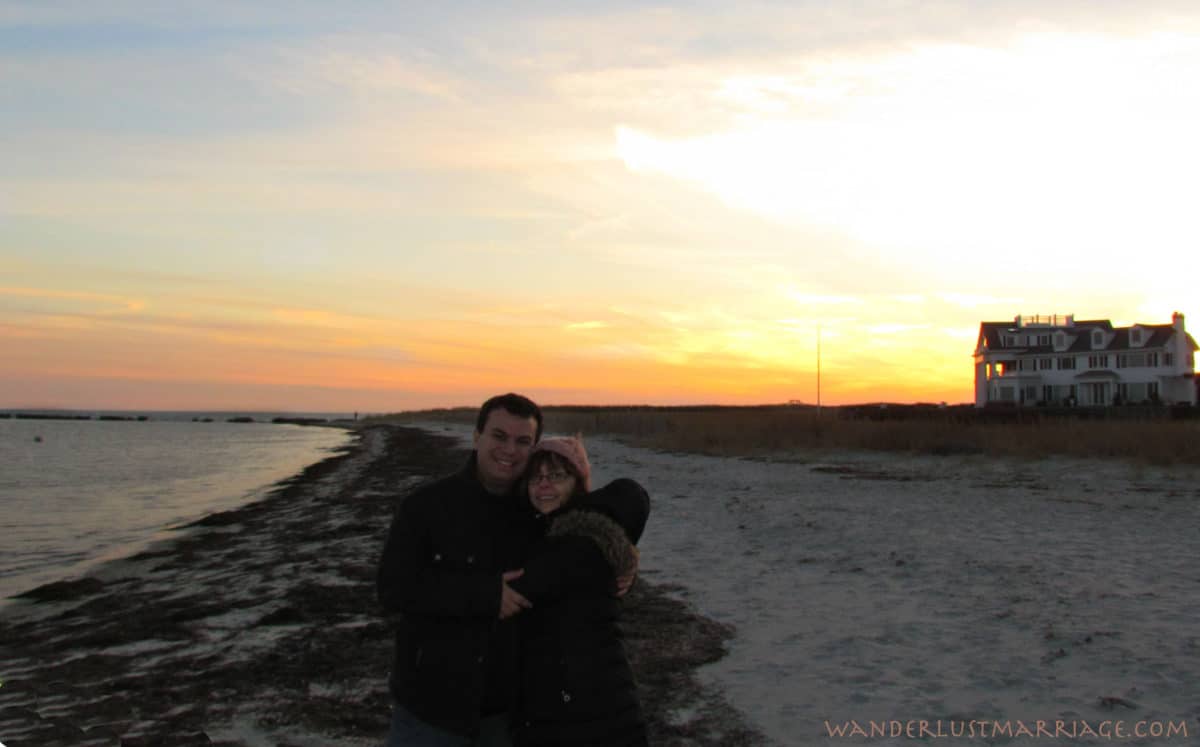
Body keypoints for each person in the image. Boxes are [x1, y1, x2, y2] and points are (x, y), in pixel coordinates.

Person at [377, 393, 544, 746]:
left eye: (522, 441)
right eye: (499, 436)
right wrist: (483, 595)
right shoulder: (426, 506)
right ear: (476, 437)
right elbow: (393, 587)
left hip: (508, 713)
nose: (509, 450)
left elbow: (605, 525)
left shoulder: (539, 514)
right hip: (430, 710)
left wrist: (624, 563)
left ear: (534, 449)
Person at [507, 436, 650, 747]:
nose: (544, 485)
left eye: (557, 476)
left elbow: (632, 494)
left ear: (578, 482)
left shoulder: (583, 543)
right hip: (557, 705)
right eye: (536, 477)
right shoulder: (545, 533)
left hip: (594, 707)